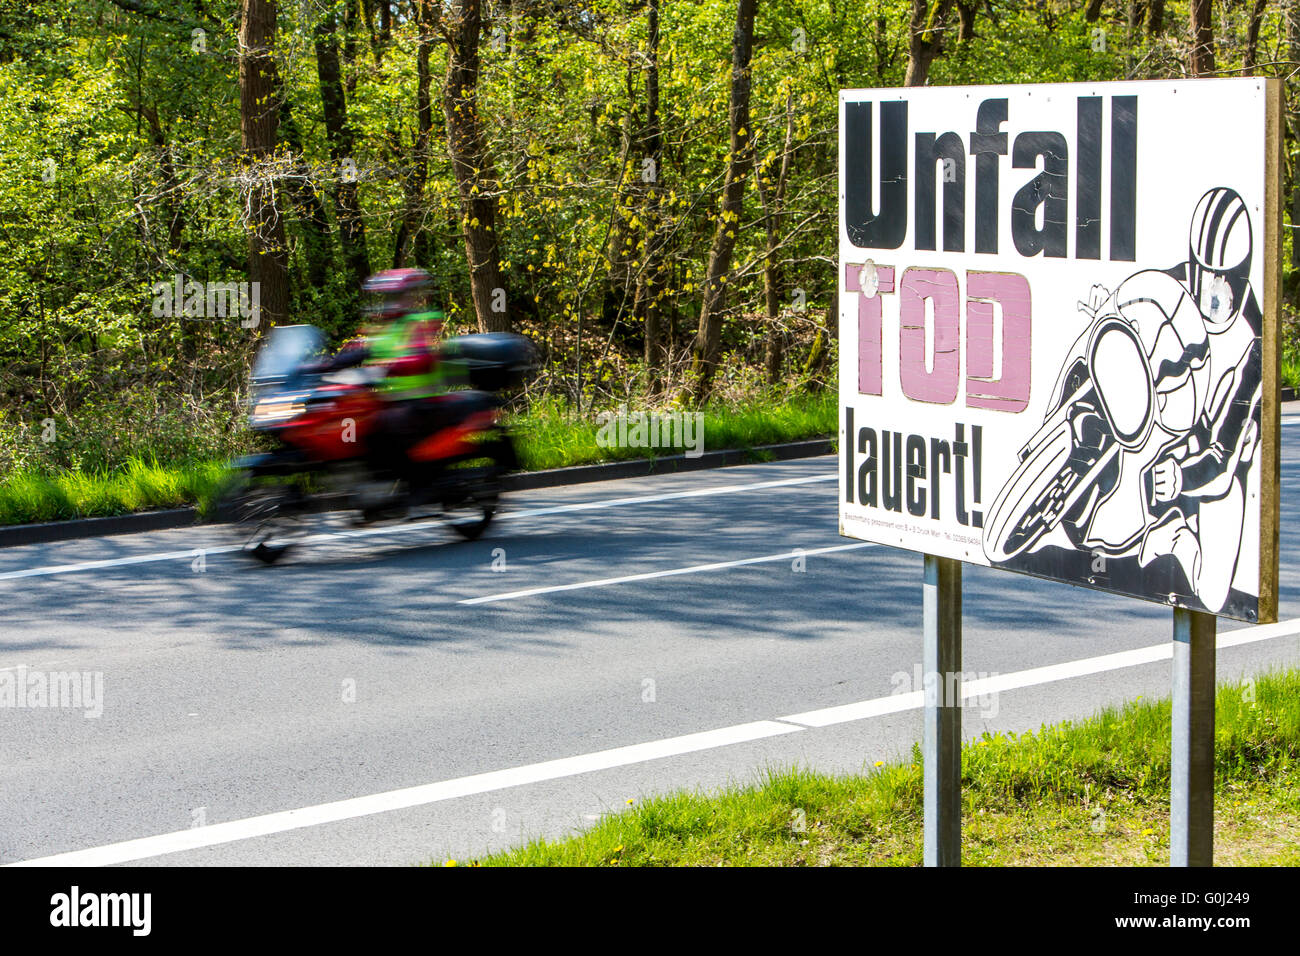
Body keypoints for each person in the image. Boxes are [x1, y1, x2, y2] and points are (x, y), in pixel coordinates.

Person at [312, 268, 452, 482]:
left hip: (420, 399)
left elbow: (421, 355)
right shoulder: (388, 327)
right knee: (356, 420)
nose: (391, 302)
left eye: (397, 296)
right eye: (388, 297)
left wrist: (390, 367)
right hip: (394, 400)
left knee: (382, 427)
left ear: (411, 296)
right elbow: (363, 349)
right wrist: (327, 365)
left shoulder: (419, 323)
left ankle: (417, 490)